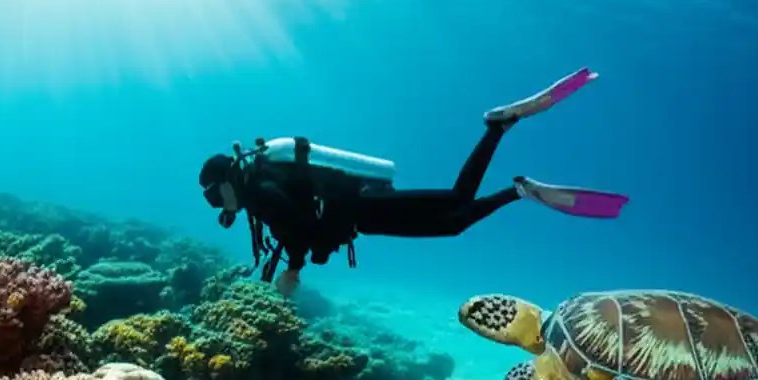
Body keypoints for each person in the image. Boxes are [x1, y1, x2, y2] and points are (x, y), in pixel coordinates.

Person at [198, 67, 629, 296]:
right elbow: (302, 226)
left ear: (226, 183)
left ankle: (497, 127)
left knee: (456, 200)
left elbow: (298, 229)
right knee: (452, 223)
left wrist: (292, 271)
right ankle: (518, 189)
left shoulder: (261, 190)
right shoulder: (261, 182)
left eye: (216, 198)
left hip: (363, 208)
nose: (221, 207)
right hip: (363, 210)